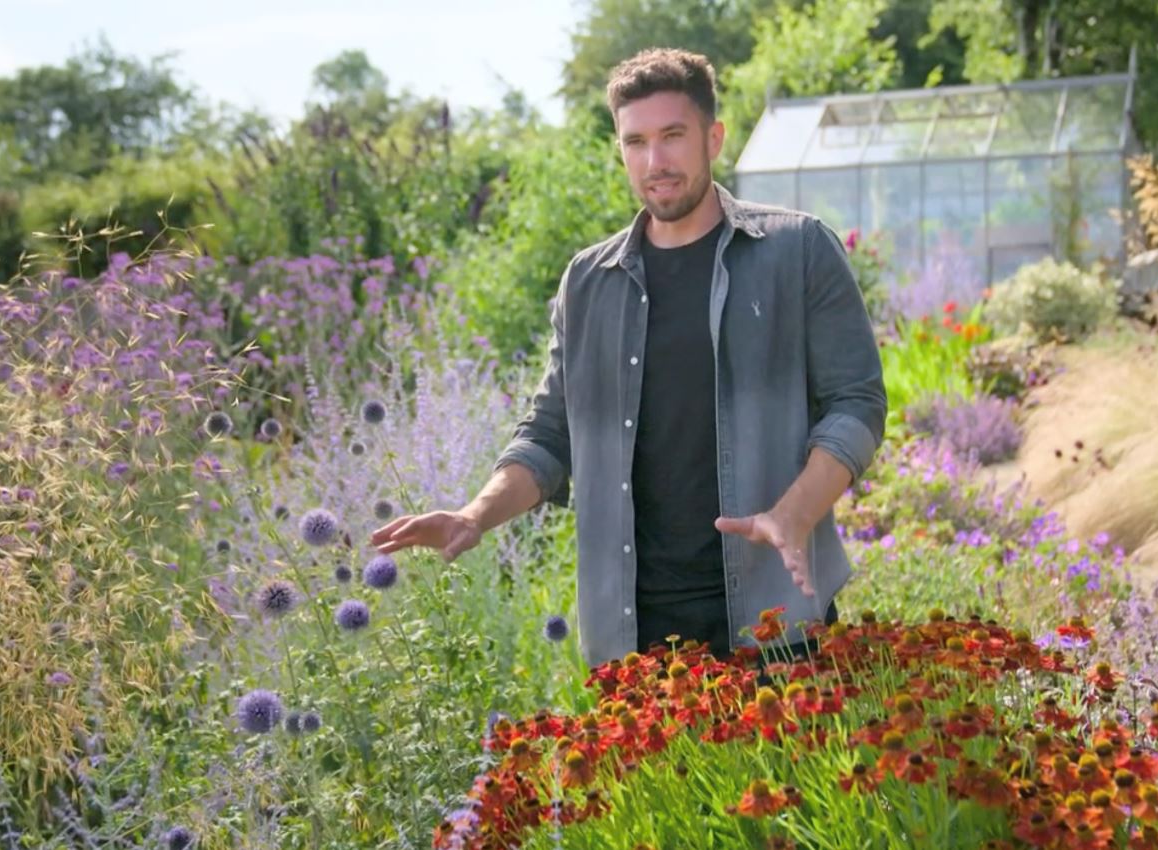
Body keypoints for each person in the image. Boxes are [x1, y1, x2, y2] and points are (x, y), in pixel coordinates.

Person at [370, 47, 886, 671]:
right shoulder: (589, 283)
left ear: (713, 137)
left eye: (673, 136)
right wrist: (476, 516)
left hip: (774, 615)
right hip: (636, 639)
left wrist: (793, 514)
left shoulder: (796, 249)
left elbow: (857, 402)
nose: (655, 161)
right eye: (635, 141)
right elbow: (549, 433)